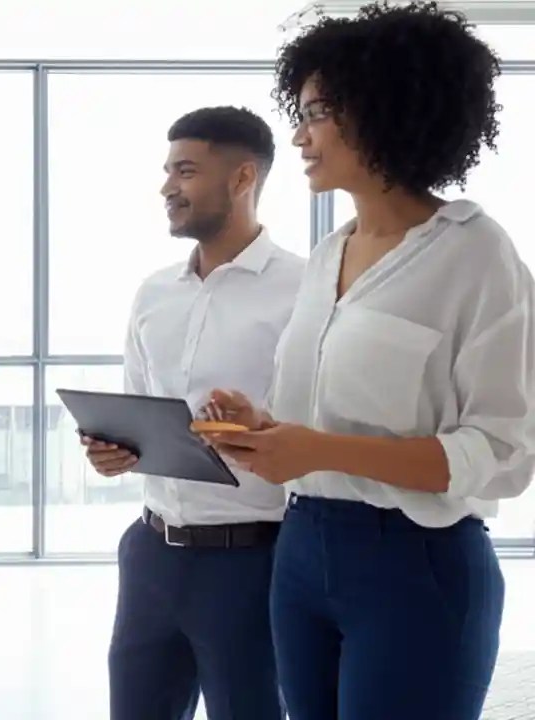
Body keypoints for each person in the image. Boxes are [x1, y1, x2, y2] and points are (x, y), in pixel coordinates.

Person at [200, 3, 535, 718]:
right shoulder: (328, 256)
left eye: (319, 111)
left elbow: (503, 452)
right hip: (302, 553)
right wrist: (264, 427)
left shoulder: (477, 255)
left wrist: (318, 448)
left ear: (386, 109)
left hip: (415, 562)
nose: (299, 134)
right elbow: (320, 423)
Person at [84, 106, 304, 719]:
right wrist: (113, 451)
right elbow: (139, 411)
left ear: (242, 178)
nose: (167, 188)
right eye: (167, 171)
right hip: (151, 552)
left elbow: (313, 434)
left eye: (185, 171)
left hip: (251, 561)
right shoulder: (154, 293)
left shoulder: (304, 290)